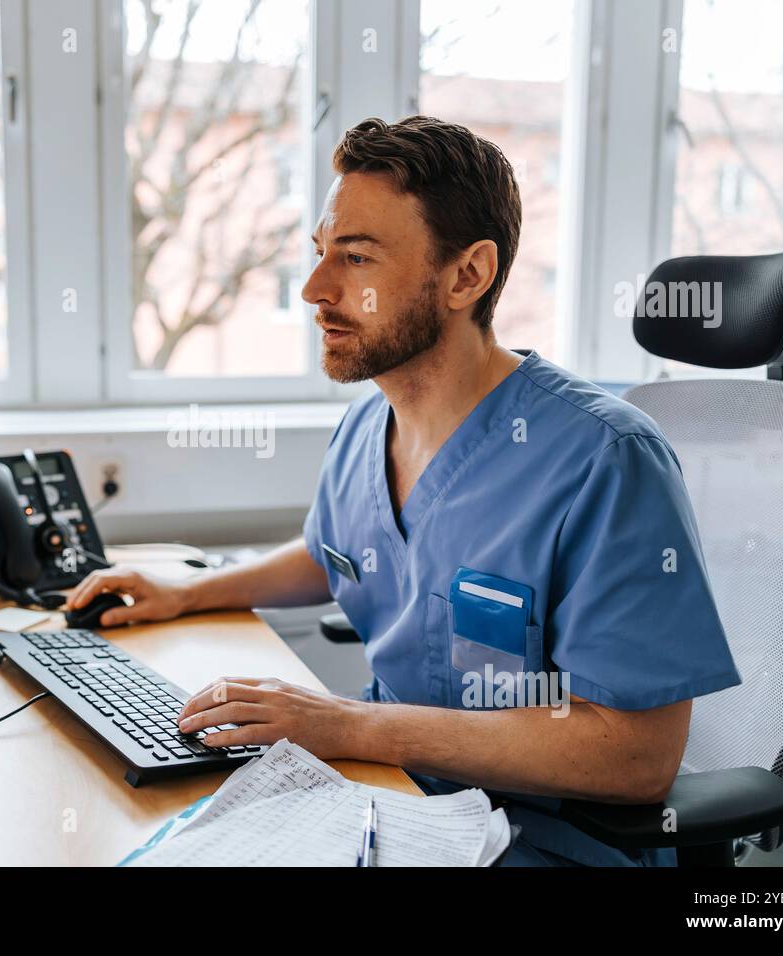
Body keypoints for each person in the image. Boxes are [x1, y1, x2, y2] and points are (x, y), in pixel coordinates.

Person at [69, 116, 740, 866]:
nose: (314, 289)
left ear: (467, 276)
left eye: (355, 258)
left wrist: (348, 726)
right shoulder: (368, 426)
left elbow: (636, 757)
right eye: (321, 253)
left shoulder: (606, 461)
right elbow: (341, 553)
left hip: (542, 842)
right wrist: (188, 592)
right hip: (388, 801)